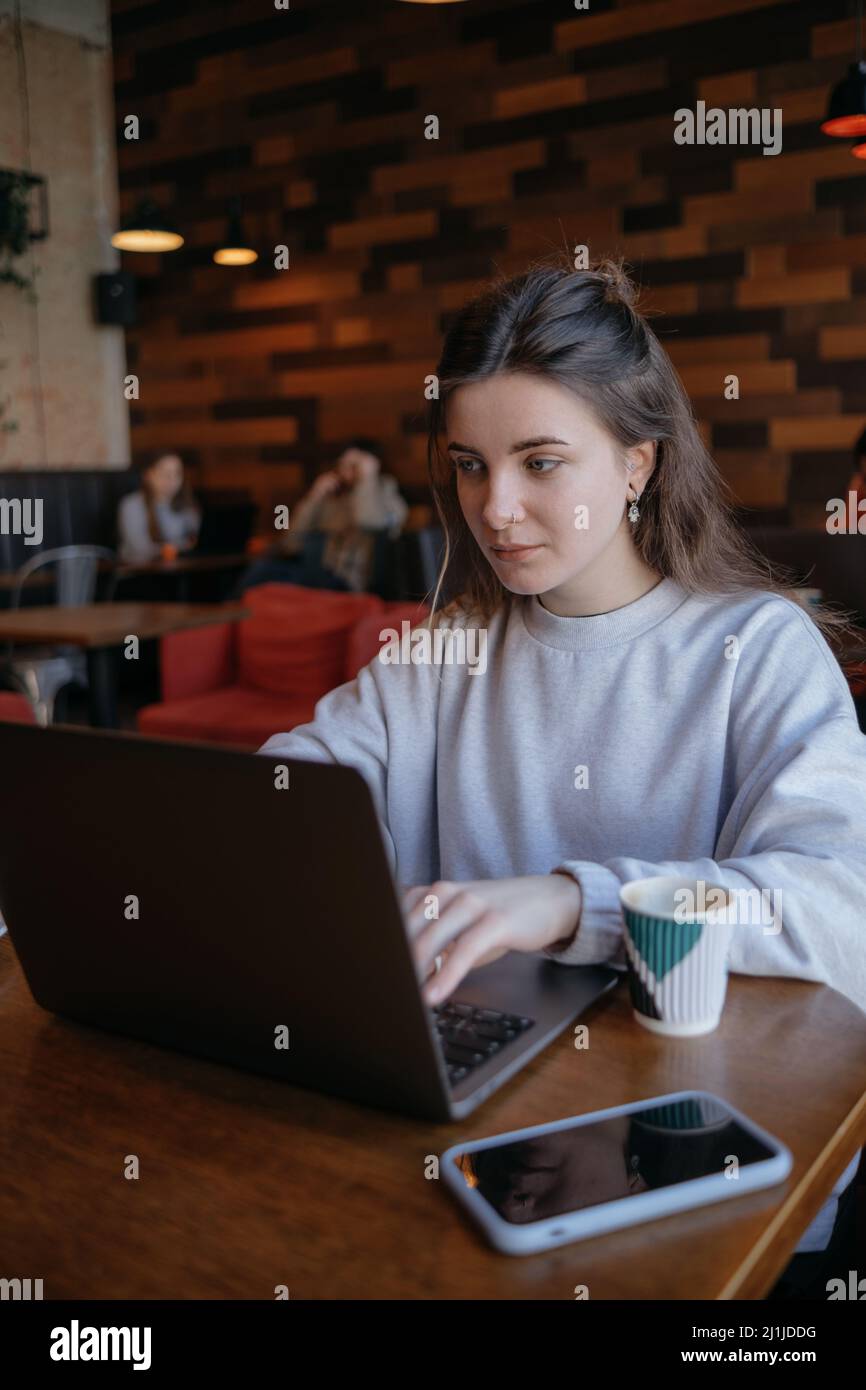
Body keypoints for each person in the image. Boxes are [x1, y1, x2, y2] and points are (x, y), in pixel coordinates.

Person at [258, 255, 866, 1269]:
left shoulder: (754, 645)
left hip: (707, 1150)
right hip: (472, 1128)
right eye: (467, 463)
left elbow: (839, 907)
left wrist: (565, 901)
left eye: (539, 462)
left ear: (636, 464)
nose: (492, 508)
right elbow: (289, 790)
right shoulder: (447, 651)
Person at [234, 439, 408, 595]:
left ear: (373, 465)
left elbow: (367, 520)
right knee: (264, 569)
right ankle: (227, 618)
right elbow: (292, 543)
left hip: (348, 581)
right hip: (316, 571)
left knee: (271, 574)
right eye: (342, 464)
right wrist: (314, 497)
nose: (345, 471)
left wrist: (366, 480)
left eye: (354, 465)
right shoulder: (331, 501)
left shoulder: (388, 497)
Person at [117, 452, 201, 563]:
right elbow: (139, 549)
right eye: (165, 473)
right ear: (148, 475)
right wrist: (178, 547)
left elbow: (197, 539)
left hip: (176, 569)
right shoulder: (131, 505)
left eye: (177, 474)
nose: (172, 480)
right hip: (138, 571)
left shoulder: (186, 504)